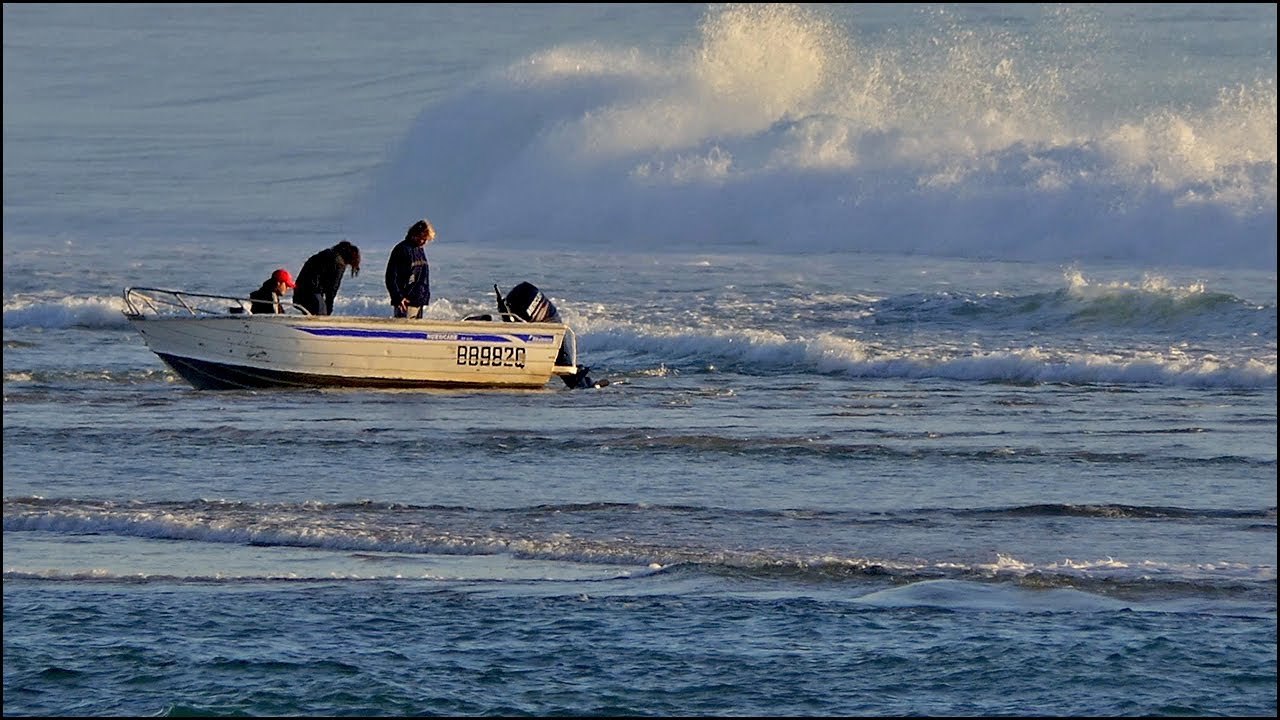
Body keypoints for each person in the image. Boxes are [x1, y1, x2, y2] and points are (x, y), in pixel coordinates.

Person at [294, 240, 361, 316]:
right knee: (321, 317)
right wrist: (329, 309)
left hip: (299, 292)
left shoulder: (325, 254)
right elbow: (332, 289)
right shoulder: (339, 263)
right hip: (311, 294)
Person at [385, 219, 435, 319]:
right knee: (403, 327)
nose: (424, 242)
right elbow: (390, 276)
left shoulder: (419, 249)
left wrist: (425, 295)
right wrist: (398, 297)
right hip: (405, 301)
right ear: (414, 235)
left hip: (418, 300)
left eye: (426, 239)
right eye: (423, 238)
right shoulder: (401, 249)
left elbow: (423, 275)